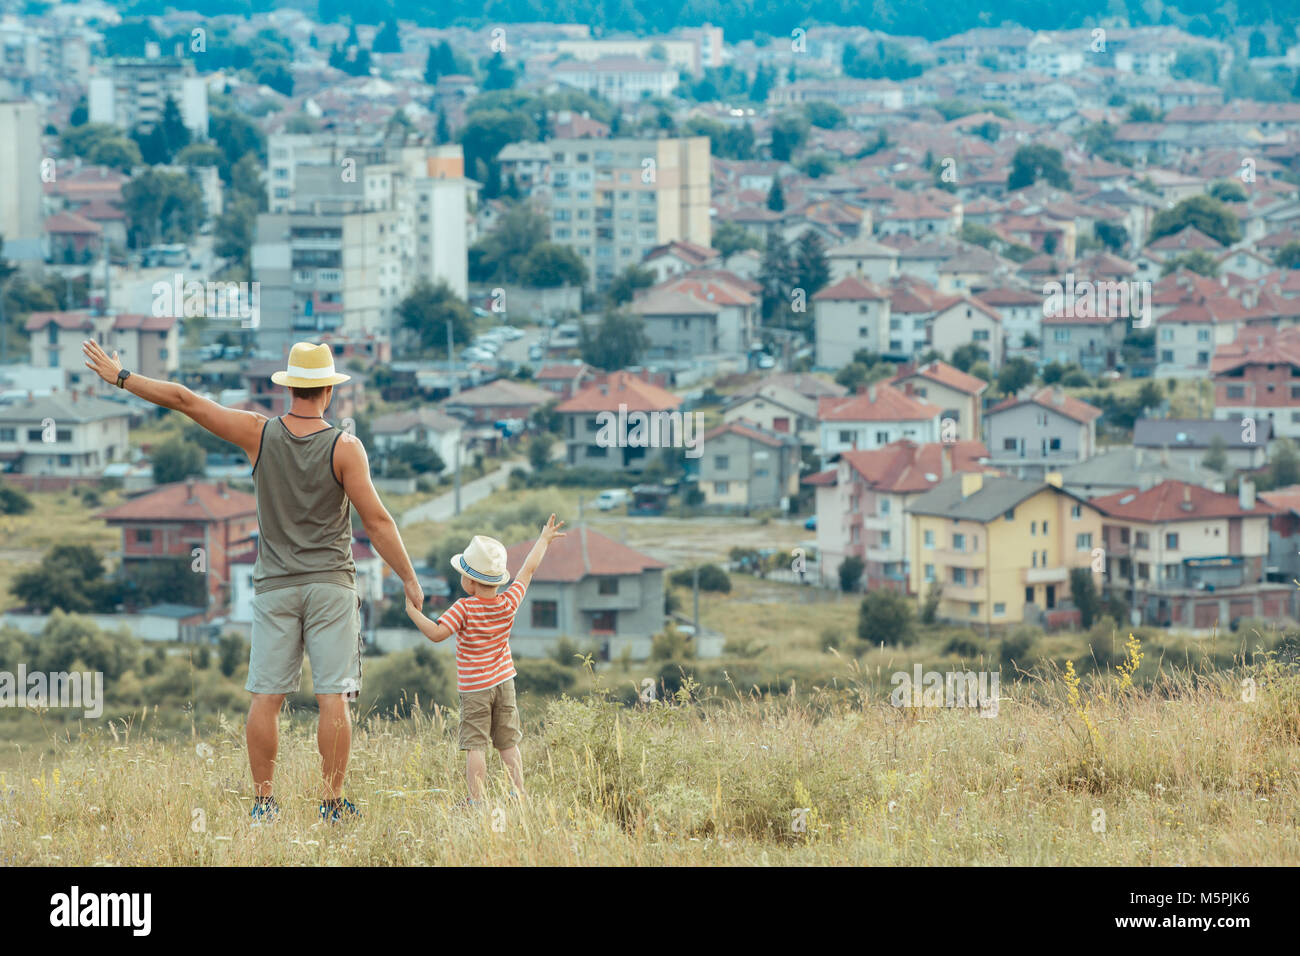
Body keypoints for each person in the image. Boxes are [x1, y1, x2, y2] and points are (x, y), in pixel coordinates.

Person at [82, 339, 423, 823]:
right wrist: (408, 578)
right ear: (328, 389)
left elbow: (185, 400)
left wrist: (121, 378)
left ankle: (264, 803)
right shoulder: (346, 447)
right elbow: (379, 522)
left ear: (289, 388)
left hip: (275, 587)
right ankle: (331, 804)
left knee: (266, 697)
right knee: (334, 696)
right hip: (331, 585)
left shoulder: (257, 433)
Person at [405, 514, 565, 803]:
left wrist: (413, 612)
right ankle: (518, 794)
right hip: (505, 683)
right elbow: (527, 571)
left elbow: (437, 633)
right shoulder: (508, 602)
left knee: (475, 745)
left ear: (469, 581)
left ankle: (476, 801)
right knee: (508, 743)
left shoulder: (464, 608)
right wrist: (543, 540)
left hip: (475, 689)